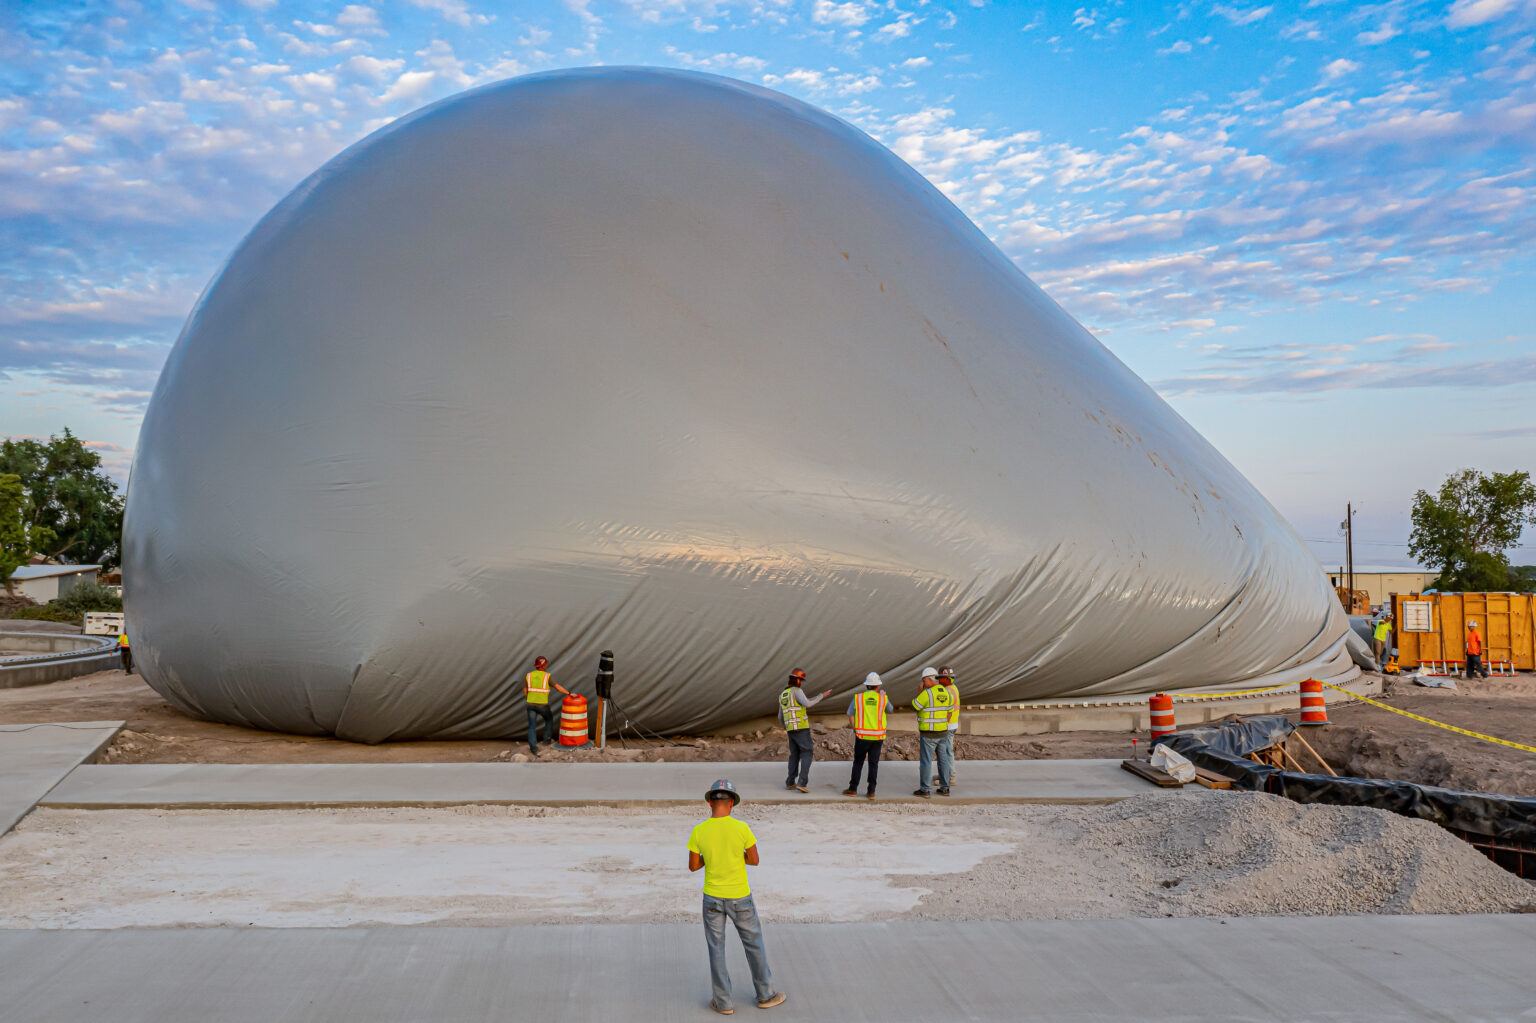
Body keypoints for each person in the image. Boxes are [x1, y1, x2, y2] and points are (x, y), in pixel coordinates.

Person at [687, 778, 786, 1015]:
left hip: (712, 897)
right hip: (740, 897)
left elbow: (693, 865)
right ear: (731, 803)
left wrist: (711, 857)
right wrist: (735, 855)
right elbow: (754, 859)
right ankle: (766, 995)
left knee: (716, 949)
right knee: (754, 945)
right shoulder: (742, 828)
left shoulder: (699, 830)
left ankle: (723, 1003)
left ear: (710, 803)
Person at [779, 668, 831, 792]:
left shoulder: (783, 694)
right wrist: (821, 696)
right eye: (801, 680)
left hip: (791, 729)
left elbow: (780, 716)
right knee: (807, 752)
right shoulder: (797, 691)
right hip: (801, 728)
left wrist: (786, 727)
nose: (801, 683)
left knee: (794, 755)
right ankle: (802, 783)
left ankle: (790, 782)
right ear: (797, 680)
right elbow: (808, 704)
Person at [843, 672, 893, 799]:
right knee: (873, 764)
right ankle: (871, 792)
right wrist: (883, 697)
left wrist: (855, 728)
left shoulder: (858, 698)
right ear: (878, 686)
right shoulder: (882, 698)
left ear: (866, 685)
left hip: (862, 737)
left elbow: (850, 714)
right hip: (877, 737)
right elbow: (890, 710)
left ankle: (853, 789)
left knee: (858, 762)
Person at [910, 667, 953, 797]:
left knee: (926, 761)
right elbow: (949, 712)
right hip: (943, 732)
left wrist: (919, 692)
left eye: (924, 680)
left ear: (929, 679)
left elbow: (915, 706)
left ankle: (925, 790)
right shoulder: (947, 693)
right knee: (943, 760)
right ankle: (945, 788)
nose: (923, 683)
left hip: (928, 734)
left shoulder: (927, 693)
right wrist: (942, 725)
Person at [524, 655, 574, 756]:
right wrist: (569, 693)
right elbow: (558, 687)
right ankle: (546, 741)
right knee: (549, 719)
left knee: (531, 726)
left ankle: (533, 748)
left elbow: (525, 690)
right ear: (544, 666)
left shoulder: (528, 675)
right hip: (542, 705)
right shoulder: (547, 676)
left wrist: (528, 698)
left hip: (530, 704)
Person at [938, 665, 960, 783]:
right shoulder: (953, 687)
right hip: (953, 724)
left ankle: (950, 777)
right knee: (946, 750)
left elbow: (946, 709)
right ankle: (945, 774)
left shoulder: (948, 690)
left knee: (947, 751)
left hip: (948, 725)